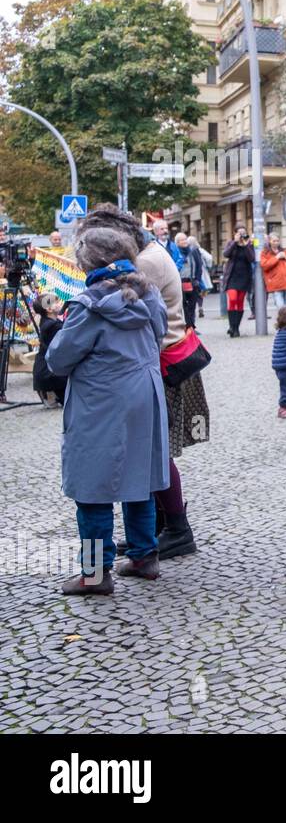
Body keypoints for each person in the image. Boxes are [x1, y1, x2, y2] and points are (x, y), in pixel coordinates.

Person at [45, 227, 168, 596]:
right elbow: (159, 336)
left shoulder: (89, 307)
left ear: (88, 263)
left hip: (102, 400)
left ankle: (95, 573)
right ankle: (145, 556)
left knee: (92, 486)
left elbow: (58, 360)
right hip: (145, 394)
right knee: (140, 475)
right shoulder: (150, 296)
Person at [82, 204, 206, 562]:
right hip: (159, 360)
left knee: (155, 451)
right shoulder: (149, 253)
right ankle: (156, 530)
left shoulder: (145, 263)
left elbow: (114, 306)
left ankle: (177, 530)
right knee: (152, 450)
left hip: (158, 362)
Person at [32, 292, 68, 407]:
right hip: (48, 374)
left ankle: (51, 394)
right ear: (49, 309)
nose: (59, 303)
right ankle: (50, 393)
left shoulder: (48, 322)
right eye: (56, 302)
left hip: (46, 371)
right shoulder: (52, 326)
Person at [222, 226, 256, 336]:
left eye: (244, 233)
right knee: (232, 299)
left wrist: (246, 245)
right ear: (235, 233)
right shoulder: (231, 243)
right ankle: (231, 326)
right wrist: (235, 243)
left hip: (244, 277)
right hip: (232, 277)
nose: (242, 235)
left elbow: (252, 259)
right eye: (240, 233)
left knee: (240, 302)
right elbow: (226, 254)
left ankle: (236, 328)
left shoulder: (249, 245)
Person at [175, 232, 206, 329]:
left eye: (185, 239)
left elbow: (199, 265)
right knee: (183, 307)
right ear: (177, 242)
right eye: (182, 240)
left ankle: (192, 327)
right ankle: (186, 327)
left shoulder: (193, 251)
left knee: (192, 306)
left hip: (192, 282)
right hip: (180, 283)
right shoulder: (176, 252)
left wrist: (197, 279)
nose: (184, 241)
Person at [260, 233, 286, 310]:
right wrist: (277, 257)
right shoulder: (265, 253)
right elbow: (265, 266)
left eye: (278, 241)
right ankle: (283, 321)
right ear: (269, 241)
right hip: (275, 282)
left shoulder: (283, 251)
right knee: (280, 305)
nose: (276, 242)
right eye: (274, 241)